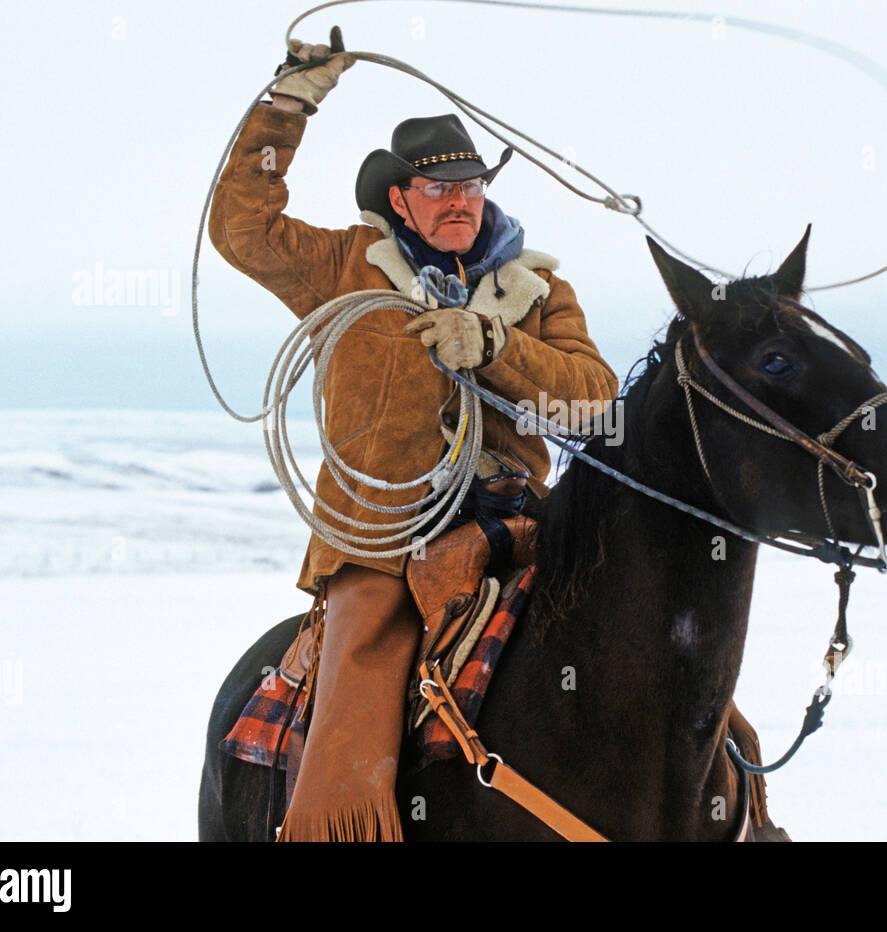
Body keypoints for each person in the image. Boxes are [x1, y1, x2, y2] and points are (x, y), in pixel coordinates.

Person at [209, 35, 781, 842]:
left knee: (657, 664)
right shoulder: (344, 267)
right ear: (398, 200)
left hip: (523, 526)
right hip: (385, 541)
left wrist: (495, 347)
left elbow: (593, 403)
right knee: (356, 710)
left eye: (469, 185)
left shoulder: (539, 290)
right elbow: (242, 226)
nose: (458, 201)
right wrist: (288, 105)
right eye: (436, 188)